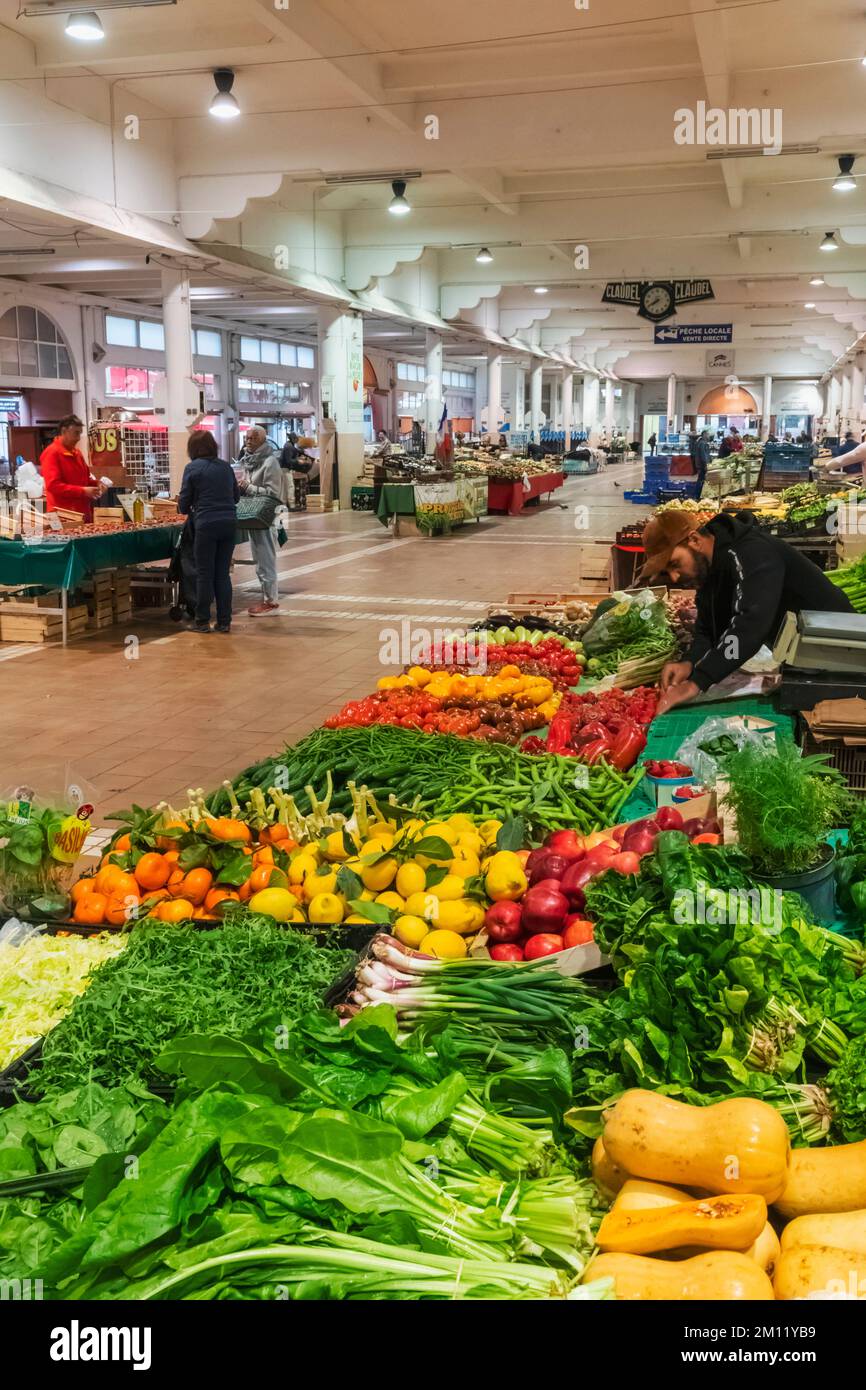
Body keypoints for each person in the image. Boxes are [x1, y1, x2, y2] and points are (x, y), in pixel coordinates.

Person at [641, 509, 854, 716]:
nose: (675, 578)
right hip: (803, 658)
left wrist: (698, 682)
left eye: (674, 564)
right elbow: (708, 628)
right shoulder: (712, 566)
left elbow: (750, 625)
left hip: (843, 653)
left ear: (695, 540)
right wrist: (689, 661)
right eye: (666, 572)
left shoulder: (752, 552)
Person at [178, 429, 239, 634]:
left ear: (192, 449)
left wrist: (189, 504)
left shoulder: (192, 468)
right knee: (222, 574)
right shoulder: (225, 467)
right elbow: (236, 497)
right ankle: (224, 622)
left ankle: (202, 621)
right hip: (229, 523)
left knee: (204, 574)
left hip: (206, 524)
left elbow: (183, 504)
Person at [238, 426, 287, 617]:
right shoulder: (249, 462)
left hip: (266, 517)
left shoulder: (270, 462)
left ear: (263, 440)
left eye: (253, 438)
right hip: (253, 516)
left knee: (266, 560)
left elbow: (274, 494)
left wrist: (249, 488)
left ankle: (271, 602)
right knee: (259, 560)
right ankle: (267, 598)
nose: (249, 441)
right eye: (247, 438)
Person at [39, 415, 104, 521]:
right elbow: (53, 486)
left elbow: (85, 480)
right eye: (76, 433)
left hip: (82, 514)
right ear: (64, 431)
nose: (78, 438)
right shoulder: (51, 453)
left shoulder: (77, 453)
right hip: (60, 517)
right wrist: (82, 491)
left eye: (80, 433)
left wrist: (97, 484)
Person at [370, 430, 392, 516]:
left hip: (384, 464)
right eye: (379, 434)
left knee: (381, 486)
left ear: (385, 435)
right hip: (380, 466)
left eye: (381, 434)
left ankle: (380, 508)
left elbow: (379, 451)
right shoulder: (383, 442)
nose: (380, 436)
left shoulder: (386, 442)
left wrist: (373, 455)